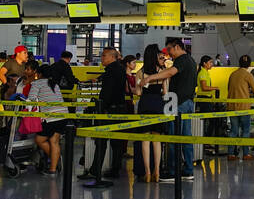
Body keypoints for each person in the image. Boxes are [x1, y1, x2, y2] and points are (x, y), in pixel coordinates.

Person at [139, 37, 197, 181]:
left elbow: (170, 73)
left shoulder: (182, 60)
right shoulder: (190, 60)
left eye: (169, 49)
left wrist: (150, 78)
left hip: (179, 103)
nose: (168, 54)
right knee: (186, 138)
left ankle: (172, 171)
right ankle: (188, 170)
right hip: (188, 102)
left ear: (177, 46)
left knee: (172, 137)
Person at [83, 47, 129, 181]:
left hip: (110, 110)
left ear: (112, 57)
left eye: (104, 56)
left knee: (101, 140)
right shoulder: (120, 69)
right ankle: (114, 169)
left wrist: (101, 105)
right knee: (116, 142)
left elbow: (107, 92)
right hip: (120, 108)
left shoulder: (110, 71)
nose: (101, 58)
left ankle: (95, 170)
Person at [27, 63, 68, 176]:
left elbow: (31, 99)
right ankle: (53, 169)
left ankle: (55, 159)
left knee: (39, 140)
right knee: (54, 141)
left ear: (39, 74)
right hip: (63, 115)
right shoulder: (55, 84)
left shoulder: (36, 83)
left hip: (50, 117)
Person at [133, 44, 166, 183]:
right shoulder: (161, 71)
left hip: (145, 104)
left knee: (145, 140)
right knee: (157, 140)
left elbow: (138, 92)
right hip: (158, 104)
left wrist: (139, 87)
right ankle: (156, 172)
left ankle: (147, 173)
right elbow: (165, 91)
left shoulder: (140, 73)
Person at [225, 55, 254, 160]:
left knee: (233, 131)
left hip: (231, 106)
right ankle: (246, 154)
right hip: (244, 107)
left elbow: (228, 88)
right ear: (249, 64)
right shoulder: (248, 75)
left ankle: (231, 154)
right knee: (245, 130)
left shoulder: (233, 74)